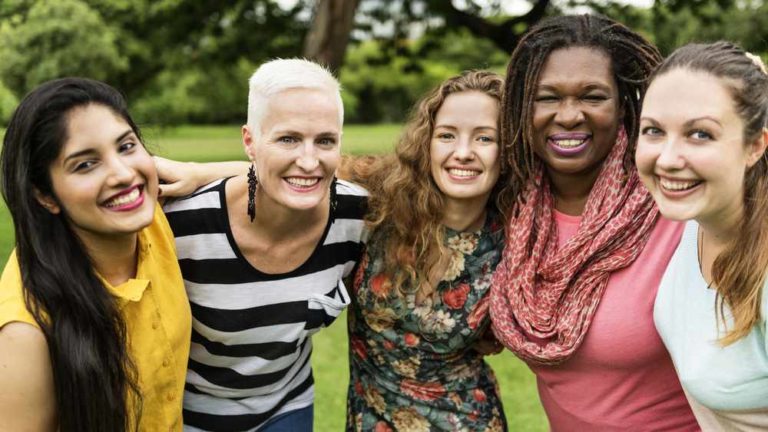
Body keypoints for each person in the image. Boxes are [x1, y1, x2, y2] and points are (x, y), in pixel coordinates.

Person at [488, 14, 699, 430]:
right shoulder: (510, 212)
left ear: (624, 103)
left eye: (592, 96)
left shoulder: (675, 209)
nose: (569, 116)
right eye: (547, 98)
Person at [161, 59, 368, 431]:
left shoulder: (357, 218)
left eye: (325, 140)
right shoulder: (183, 225)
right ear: (250, 142)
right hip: (190, 414)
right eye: (287, 138)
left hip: (288, 407)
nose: (309, 160)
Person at [0, 78, 191, 431]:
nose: (122, 174)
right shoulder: (23, 332)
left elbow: (307, 173)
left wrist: (198, 172)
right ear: (45, 196)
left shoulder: (149, 217)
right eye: (85, 165)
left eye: (127, 146)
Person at [346, 70, 508, 431]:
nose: (462, 153)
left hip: (467, 419)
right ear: (427, 143)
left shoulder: (515, 239)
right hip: (370, 418)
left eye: (484, 138)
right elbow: (293, 175)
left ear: (508, 150)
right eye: (447, 135)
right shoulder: (381, 197)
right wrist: (202, 176)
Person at [636, 41, 768, 429]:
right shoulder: (695, 219)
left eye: (700, 135)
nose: (668, 159)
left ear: (755, 145)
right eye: (654, 131)